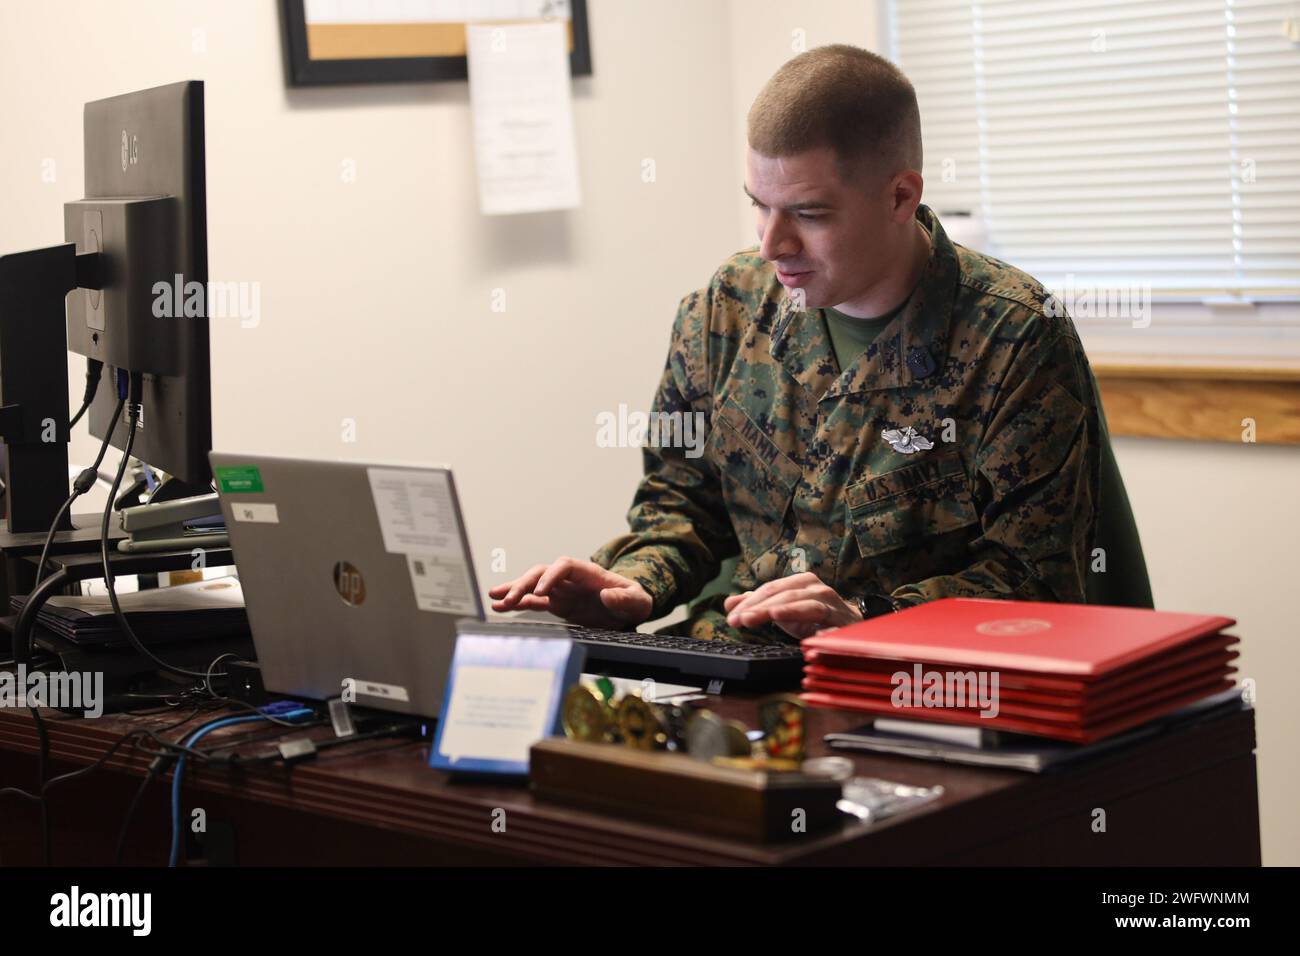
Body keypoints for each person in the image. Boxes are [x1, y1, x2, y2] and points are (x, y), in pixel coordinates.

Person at [490, 44, 1100, 644]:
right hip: (733, 668)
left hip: (908, 690)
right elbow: (682, 503)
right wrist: (633, 585)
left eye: (808, 214)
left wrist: (864, 618)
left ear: (899, 197)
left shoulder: (1013, 335)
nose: (771, 245)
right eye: (760, 205)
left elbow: (1036, 584)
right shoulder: (726, 309)